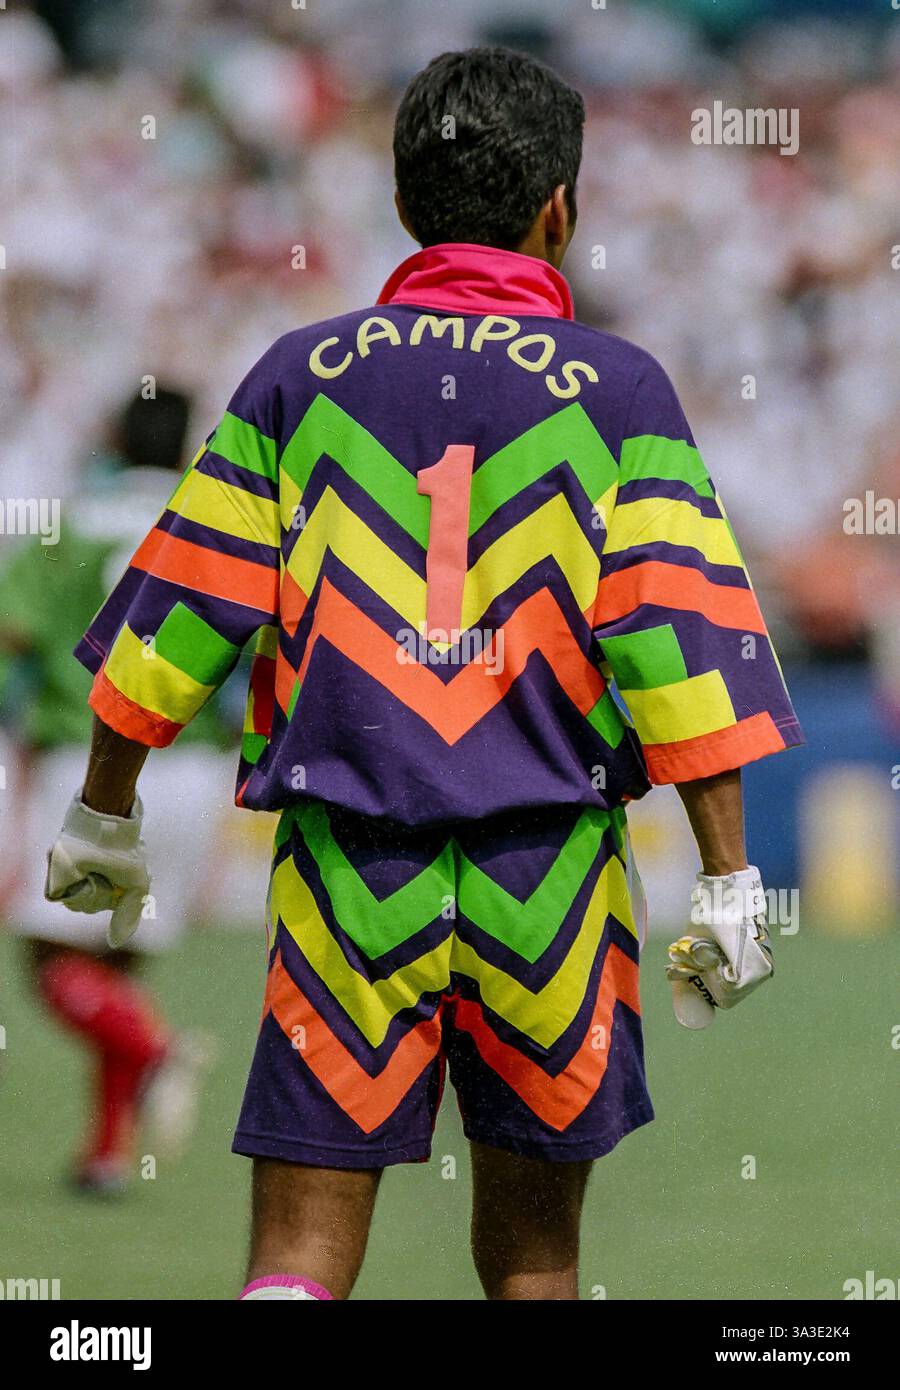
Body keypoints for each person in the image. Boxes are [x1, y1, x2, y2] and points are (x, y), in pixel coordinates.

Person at [44, 47, 802, 1296]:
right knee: (535, 1266)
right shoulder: (622, 394)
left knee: (295, 1259)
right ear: (562, 207)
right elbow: (683, 652)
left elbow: (180, 614)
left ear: (402, 206)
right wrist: (728, 878)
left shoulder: (305, 375)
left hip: (350, 877)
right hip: (549, 886)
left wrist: (103, 807)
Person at [0, 388, 218, 1193]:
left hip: (93, 764)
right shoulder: (208, 518)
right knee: (118, 967)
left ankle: (157, 1053)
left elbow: (13, 631)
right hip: (194, 765)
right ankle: (108, 1152)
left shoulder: (72, 522)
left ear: (114, 437)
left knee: (51, 964)